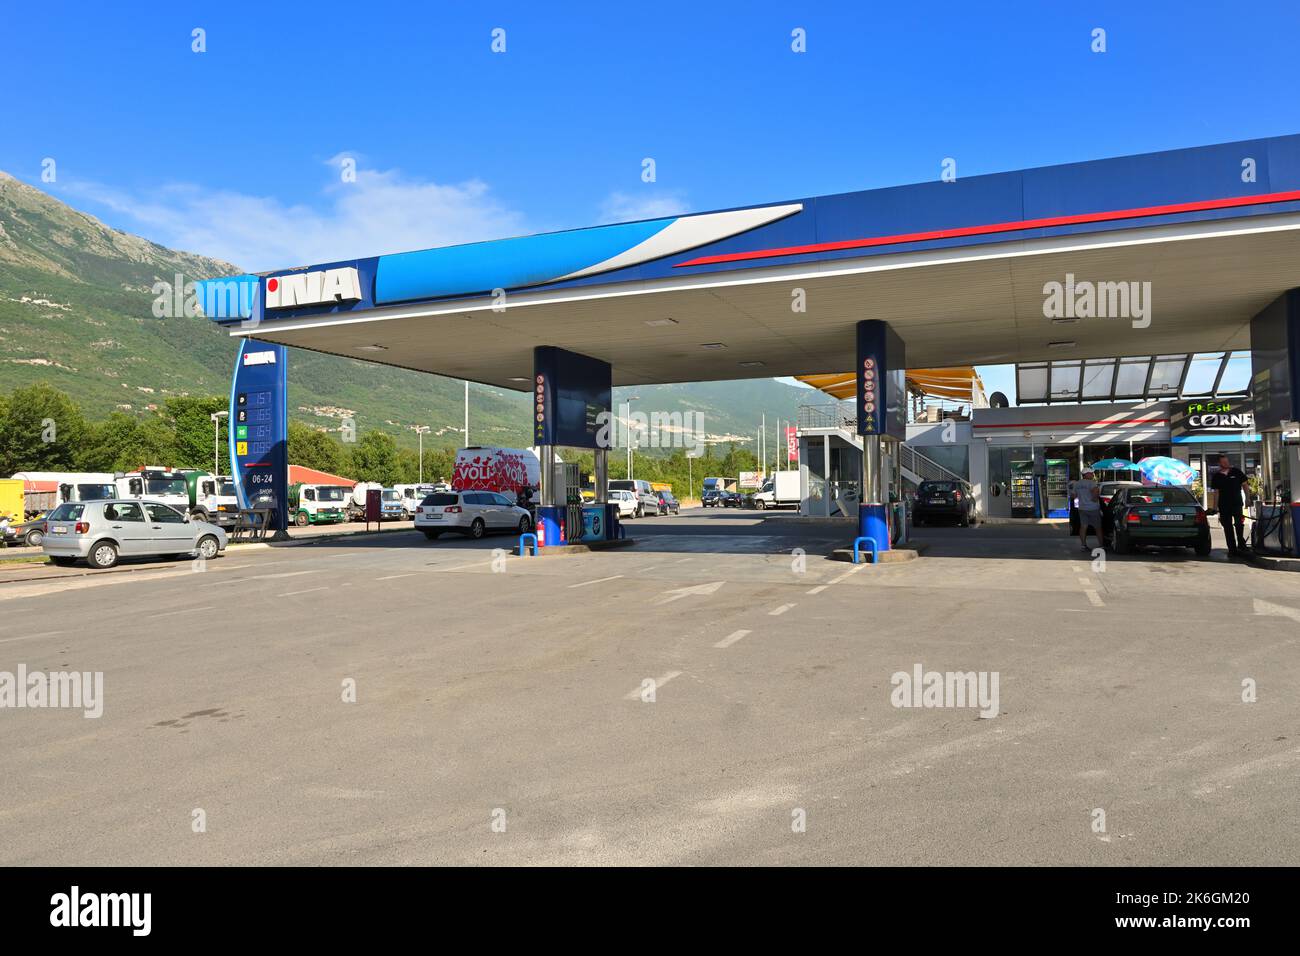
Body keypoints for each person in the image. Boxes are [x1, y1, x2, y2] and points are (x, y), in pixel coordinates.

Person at [1209, 454, 1250, 556]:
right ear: (1219, 463)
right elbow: (1216, 493)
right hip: (1224, 506)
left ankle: (1241, 544)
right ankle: (1232, 549)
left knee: (1239, 525)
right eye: (1223, 462)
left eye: (1227, 461)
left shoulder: (1236, 472)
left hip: (1237, 503)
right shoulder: (1217, 476)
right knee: (1227, 527)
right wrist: (1215, 507)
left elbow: (1245, 485)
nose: (1226, 463)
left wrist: (1248, 499)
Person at [1074, 467, 1102, 551]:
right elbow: (1096, 491)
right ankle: (1101, 545)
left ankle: (1083, 545)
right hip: (1093, 508)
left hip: (1082, 508)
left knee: (1083, 527)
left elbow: (1073, 495)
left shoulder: (1077, 484)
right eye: (1091, 473)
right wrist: (1094, 499)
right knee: (1098, 527)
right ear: (1086, 474)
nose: (1092, 474)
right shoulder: (1091, 483)